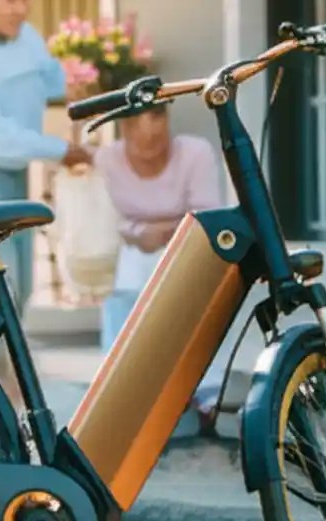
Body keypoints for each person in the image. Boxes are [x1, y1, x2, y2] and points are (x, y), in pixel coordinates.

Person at [0, 0, 92, 407]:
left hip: (15, 170)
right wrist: (58, 149)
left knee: (20, 284)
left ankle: (6, 380)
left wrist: (80, 81)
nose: (18, 9)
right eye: (7, 1)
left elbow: (52, 81)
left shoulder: (28, 40)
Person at [95, 101, 227, 433]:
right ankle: (124, 387)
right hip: (132, 250)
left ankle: (205, 395)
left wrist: (163, 232)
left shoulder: (195, 153)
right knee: (130, 270)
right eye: (141, 138)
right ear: (124, 130)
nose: (151, 146)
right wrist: (141, 233)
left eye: (158, 131)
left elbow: (206, 213)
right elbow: (108, 220)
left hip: (187, 243)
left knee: (199, 275)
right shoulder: (108, 159)